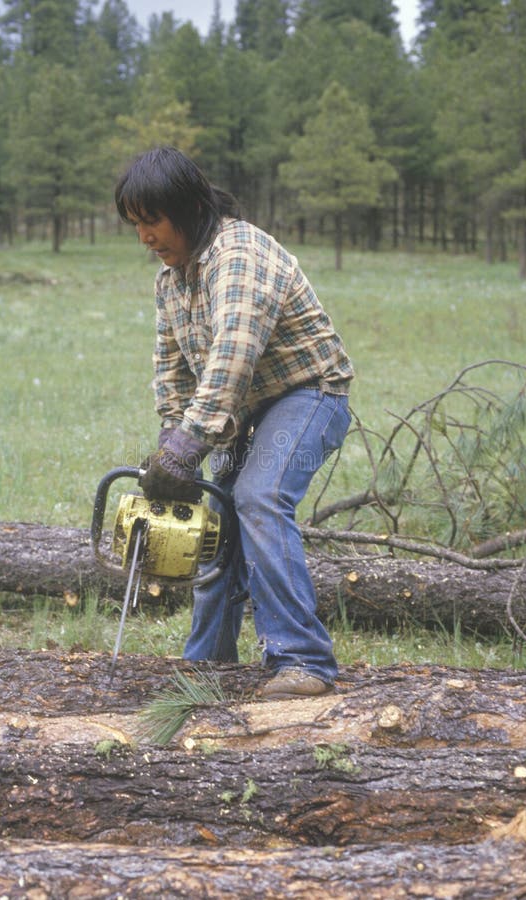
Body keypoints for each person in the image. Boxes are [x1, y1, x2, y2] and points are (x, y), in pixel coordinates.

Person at [115, 146, 354, 700]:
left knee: (259, 496)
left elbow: (231, 359)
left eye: (153, 221)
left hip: (309, 394)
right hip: (243, 414)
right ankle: (208, 666)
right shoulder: (170, 282)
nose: (145, 237)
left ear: (189, 207)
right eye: (136, 226)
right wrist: (169, 441)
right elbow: (172, 374)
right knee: (217, 518)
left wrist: (186, 448)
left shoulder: (238, 254)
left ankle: (303, 661)